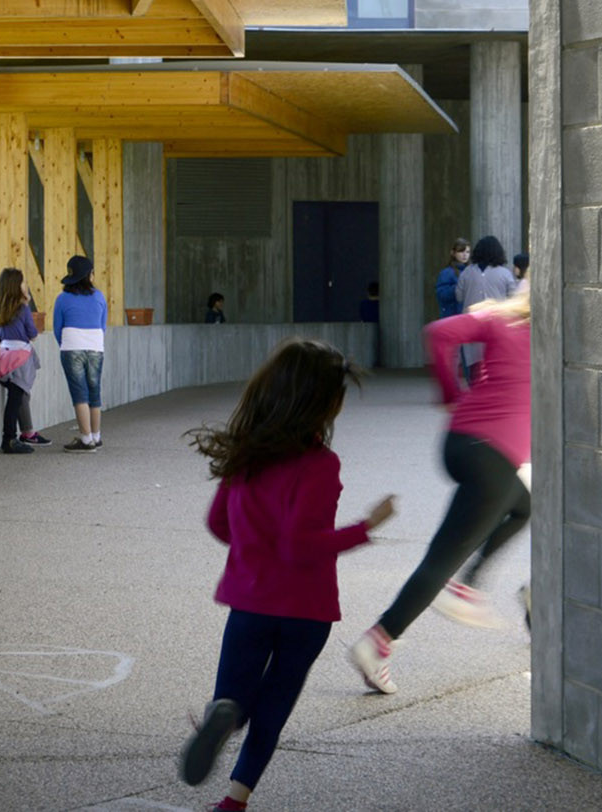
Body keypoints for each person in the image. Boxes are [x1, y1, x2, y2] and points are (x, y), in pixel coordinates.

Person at [179, 339, 396, 811]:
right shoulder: (321, 465)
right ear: (324, 405)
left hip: (250, 600)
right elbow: (302, 545)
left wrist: (254, 546)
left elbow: (219, 523)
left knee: (234, 697)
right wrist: (366, 527)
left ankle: (226, 715)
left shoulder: (247, 455)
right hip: (306, 609)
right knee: (276, 702)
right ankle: (234, 800)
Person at [348, 288, 532, 695]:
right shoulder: (551, 338)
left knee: (525, 507)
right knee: (440, 561)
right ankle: (379, 639)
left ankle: (467, 584)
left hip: (459, 443)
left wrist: (452, 394)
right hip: (494, 460)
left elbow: (438, 332)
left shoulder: (500, 319)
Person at [53, 256, 108, 451]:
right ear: (89, 276)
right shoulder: (99, 296)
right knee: (94, 391)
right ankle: (96, 436)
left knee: (79, 393)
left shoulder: (62, 298)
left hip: (71, 346)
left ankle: (85, 440)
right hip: (96, 347)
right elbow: (103, 325)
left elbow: (57, 328)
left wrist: (66, 344)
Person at [0, 268, 40, 455]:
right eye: (22, 282)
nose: (25, 285)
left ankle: (20, 434)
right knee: (15, 400)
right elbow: (32, 334)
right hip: (20, 359)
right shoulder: (22, 309)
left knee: (14, 397)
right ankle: (9, 439)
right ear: (16, 286)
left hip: (4, 356)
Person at [454, 235, 518, 382]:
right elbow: (513, 298)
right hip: (498, 326)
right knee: (496, 368)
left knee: (473, 369)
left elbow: (458, 296)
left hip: (471, 326)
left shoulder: (467, 273)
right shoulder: (505, 273)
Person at [434, 239, 470, 319]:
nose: (465, 255)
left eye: (467, 252)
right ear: (453, 253)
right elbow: (441, 295)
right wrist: (459, 287)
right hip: (451, 317)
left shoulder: (471, 272)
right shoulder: (446, 273)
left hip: (467, 317)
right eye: (461, 251)